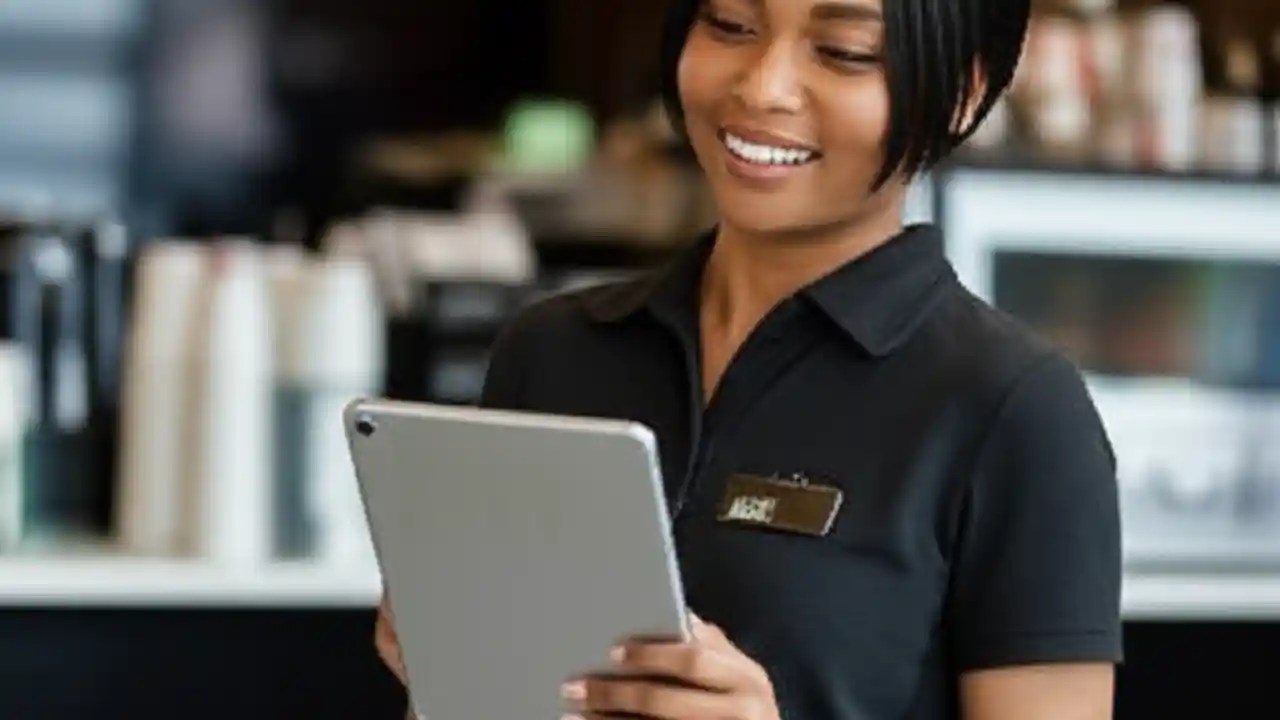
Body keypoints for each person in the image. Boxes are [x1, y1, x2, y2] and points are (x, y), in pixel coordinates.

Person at [376, 0, 1123, 718]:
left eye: (844, 52)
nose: (762, 87)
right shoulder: (551, 353)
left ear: (965, 91)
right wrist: (450, 668)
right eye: (730, 25)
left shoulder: (1013, 409)